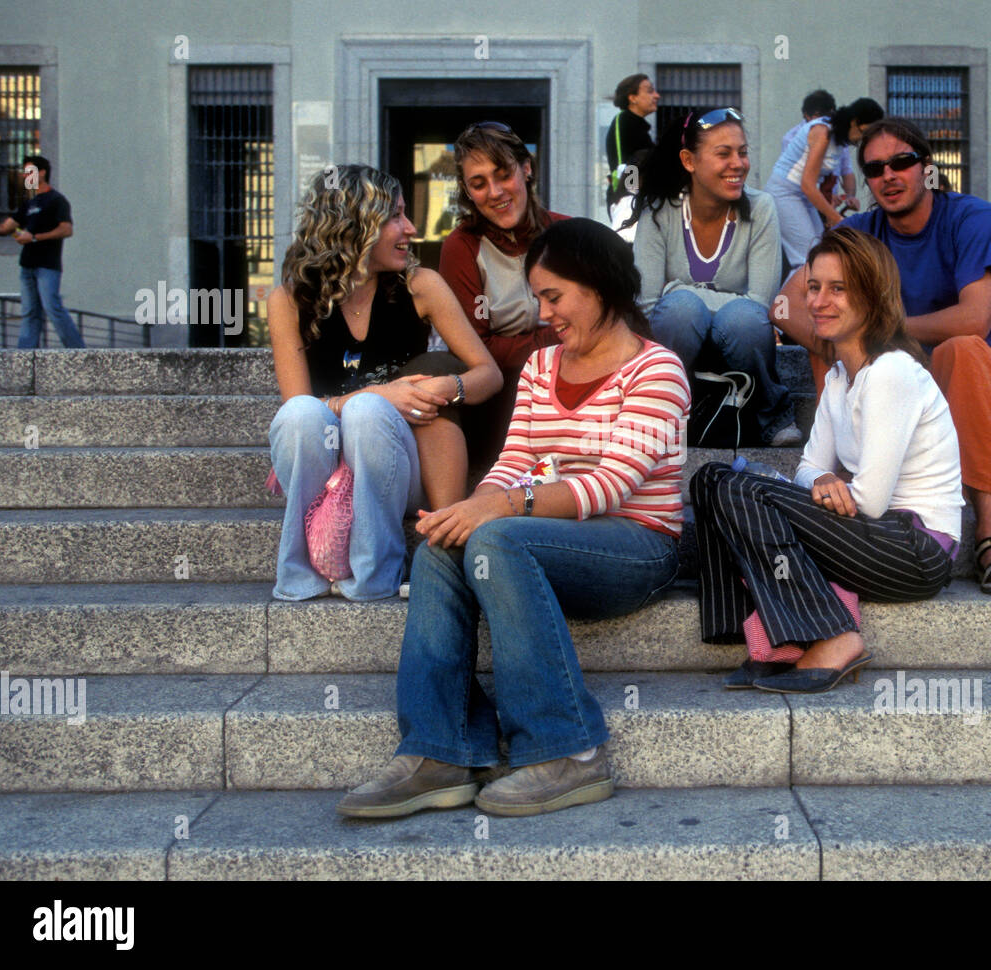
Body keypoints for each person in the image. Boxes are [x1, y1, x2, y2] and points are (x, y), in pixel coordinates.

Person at [337, 218, 689, 819]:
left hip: (636, 548)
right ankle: (440, 751)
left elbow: (608, 486)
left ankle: (569, 750)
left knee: (494, 537)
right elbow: (514, 464)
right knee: (445, 546)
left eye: (554, 296)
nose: (543, 311)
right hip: (544, 541)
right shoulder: (539, 368)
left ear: (600, 286)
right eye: (538, 297)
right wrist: (466, 510)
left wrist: (496, 507)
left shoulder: (656, 371)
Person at [771, 119, 991, 594]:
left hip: (987, 392)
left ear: (927, 166)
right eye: (874, 168)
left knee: (962, 350)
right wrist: (846, 337)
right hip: (900, 391)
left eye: (902, 162)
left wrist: (881, 334)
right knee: (831, 332)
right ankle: (840, 472)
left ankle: (989, 533)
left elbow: (976, 318)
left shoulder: (971, 217)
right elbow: (785, 306)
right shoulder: (862, 231)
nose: (888, 175)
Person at [694, 228, 962, 692]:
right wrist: (822, 481)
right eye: (813, 287)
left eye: (838, 289)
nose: (819, 301)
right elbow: (806, 468)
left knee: (741, 487)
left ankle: (835, 636)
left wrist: (824, 485)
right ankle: (759, 632)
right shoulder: (840, 376)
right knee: (710, 479)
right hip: (873, 535)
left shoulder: (890, 372)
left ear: (874, 297)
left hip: (915, 550)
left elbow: (871, 502)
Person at [268, 164, 501, 601]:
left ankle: (374, 575)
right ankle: (301, 574)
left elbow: (487, 373)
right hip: (328, 461)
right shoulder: (288, 301)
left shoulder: (420, 286)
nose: (410, 229)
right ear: (354, 226)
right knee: (303, 415)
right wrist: (375, 394)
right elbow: (302, 405)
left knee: (370, 413)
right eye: (395, 217)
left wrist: (445, 388)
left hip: (393, 461)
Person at [630, 107, 799, 446]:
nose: (738, 163)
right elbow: (648, 305)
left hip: (739, 343)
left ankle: (771, 416)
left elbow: (761, 304)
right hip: (678, 340)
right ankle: (663, 416)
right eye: (723, 154)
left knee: (742, 319)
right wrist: (682, 298)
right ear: (689, 161)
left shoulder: (761, 208)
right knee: (680, 310)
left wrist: (678, 288)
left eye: (743, 152)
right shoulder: (660, 212)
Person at [438, 122, 567, 468]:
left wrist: (514, 345)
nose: (495, 192)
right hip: (500, 401)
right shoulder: (461, 247)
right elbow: (477, 351)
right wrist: (564, 334)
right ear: (467, 192)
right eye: (478, 184)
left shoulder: (568, 234)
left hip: (575, 383)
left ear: (526, 169)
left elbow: (605, 324)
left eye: (503, 174)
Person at [0, 155, 85, 348]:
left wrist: (36, 237)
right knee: (29, 312)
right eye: (24, 172)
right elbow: (6, 227)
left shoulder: (56, 200)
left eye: (29, 171)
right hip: (27, 266)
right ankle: (25, 356)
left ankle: (77, 352)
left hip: (47, 265)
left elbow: (66, 229)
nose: (24, 176)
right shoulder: (29, 204)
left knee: (52, 308)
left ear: (42, 173)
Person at [766, 98, 855, 270]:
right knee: (806, 257)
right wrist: (834, 217)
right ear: (809, 117)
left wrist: (848, 196)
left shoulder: (839, 137)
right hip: (804, 198)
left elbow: (846, 170)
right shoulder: (797, 136)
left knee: (820, 253)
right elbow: (803, 180)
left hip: (822, 201)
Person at [606, 73, 659, 237]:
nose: (656, 96)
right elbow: (626, 166)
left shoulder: (638, 126)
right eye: (649, 91)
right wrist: (631, 193)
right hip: (630, 202)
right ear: (633, 98)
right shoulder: (624, 122)